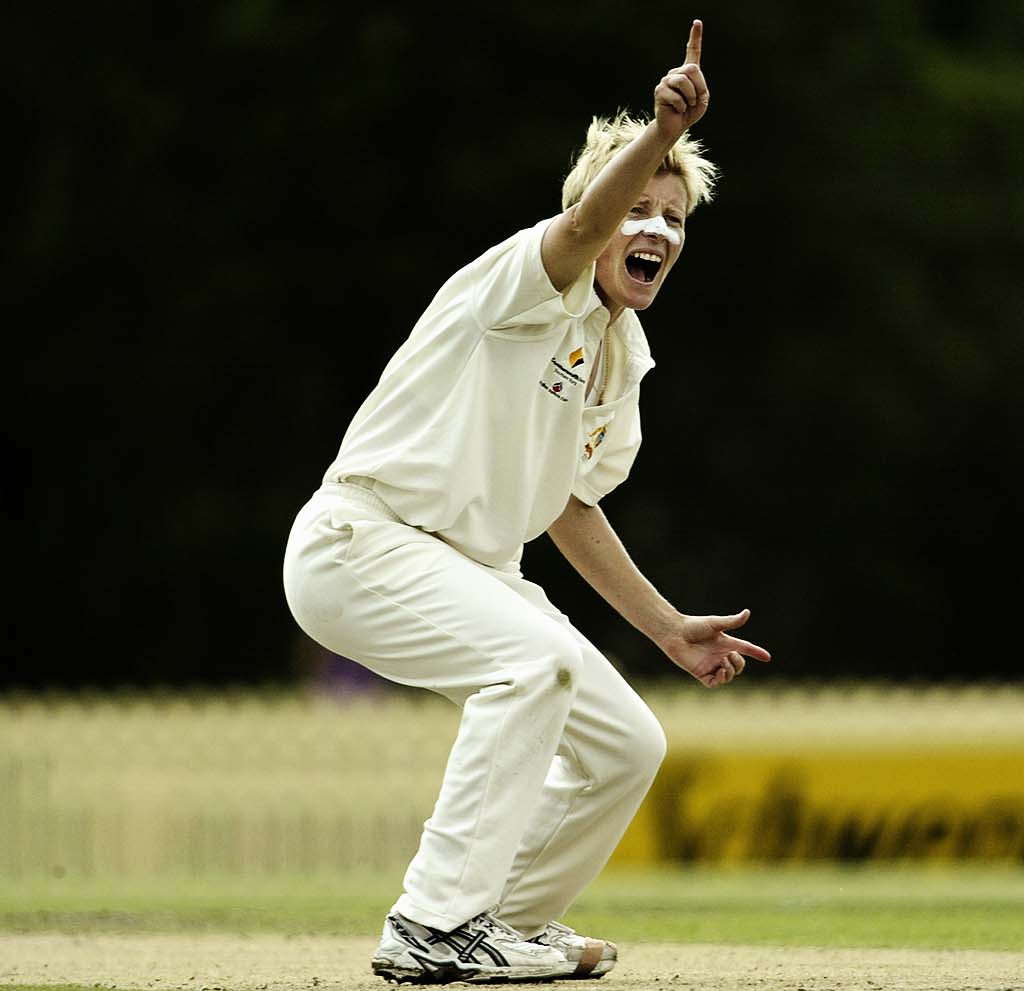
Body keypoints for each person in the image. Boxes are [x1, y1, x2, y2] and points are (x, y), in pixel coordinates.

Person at [283, 20, 771, 983]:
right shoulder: (524, 281)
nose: (654, 232)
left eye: (674, 221)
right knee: (533, 668)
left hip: (471, 572)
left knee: (628, 743)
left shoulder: (620, 357)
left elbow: (569, 507)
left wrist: (667, 626)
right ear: (597, 205)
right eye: (641, 207)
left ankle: (500, 918)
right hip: (363, 541)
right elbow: (586, 225)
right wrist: (661, 132)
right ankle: (432, 923)